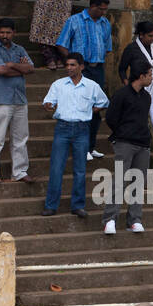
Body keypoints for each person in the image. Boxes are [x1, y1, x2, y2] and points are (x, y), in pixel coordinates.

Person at [42, 52, 108, 219]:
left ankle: (78, 205)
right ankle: (51, 205)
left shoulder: (92, 86)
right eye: (67, 65)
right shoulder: (58, 84)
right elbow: (48, 101)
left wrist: (92, 111)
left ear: (81, 67)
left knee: (80, 169)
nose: (69, 68)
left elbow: (104, 102)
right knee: (56, 168)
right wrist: (49, 105)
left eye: (73, 65)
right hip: (62, 127)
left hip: (82, 128)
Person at [57, 0, 114, 161]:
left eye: (105, 9)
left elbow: (107, 47)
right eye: (101, 9)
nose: (103, 12)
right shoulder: (74, 20)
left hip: (98, 67)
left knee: (96, 108)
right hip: (82, 69)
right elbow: (61, 44)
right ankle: (80, 148)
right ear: (93, 6)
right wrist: (73, 64)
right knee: (81, 108)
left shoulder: (105, 23)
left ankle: (91, 146)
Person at [103, 59, 153, 235]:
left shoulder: (146, 97)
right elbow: (111, 117)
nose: (152, 78)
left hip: (143, 144)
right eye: (150, 74)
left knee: (138, 182)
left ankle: (135, 219)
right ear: (141, 76)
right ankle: (110, 218)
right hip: (124, 143)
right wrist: (122, 133)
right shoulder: (122, 94)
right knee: (119, 180)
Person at [0, 18, 35, 185]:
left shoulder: (20, 49)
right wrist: (20, 68)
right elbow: (0, 70)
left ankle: (20, 172)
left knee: (20, 138)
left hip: (20, 99)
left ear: (14, 33)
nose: (4, 35)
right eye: (2, 32)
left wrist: (11, 64)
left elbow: (31, 68)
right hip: (1, 100)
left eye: (8, 32)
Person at [118, 20, 153, 166]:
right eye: (150, 36)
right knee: (138, 120)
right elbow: (122, 69)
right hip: (138, 91)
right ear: (141, 35)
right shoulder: (131, 49)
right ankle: (134, 150)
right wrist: (127, 86)